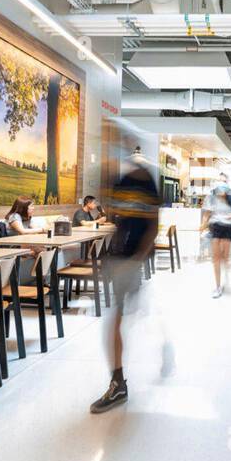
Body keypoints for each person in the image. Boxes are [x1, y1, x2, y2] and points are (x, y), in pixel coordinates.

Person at [90, 147, 161, 414]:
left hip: (129, 259)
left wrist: (137, 258)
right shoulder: (123, 182)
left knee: (117, 319)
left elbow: (152, 225)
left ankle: (118, 383)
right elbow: (113, 215)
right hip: (122, 257)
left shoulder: (146, 180)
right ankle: (118, 380)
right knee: (123, 316)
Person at [201, 174, 231, 298]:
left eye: (223, 182)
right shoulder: (211, 197)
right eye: (219, 181)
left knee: (225, 256)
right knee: (216, 257)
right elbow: (207, 214)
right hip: (216, 226)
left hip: (229, 227)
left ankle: (226, 273)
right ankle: (218, 286)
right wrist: (203, 225)